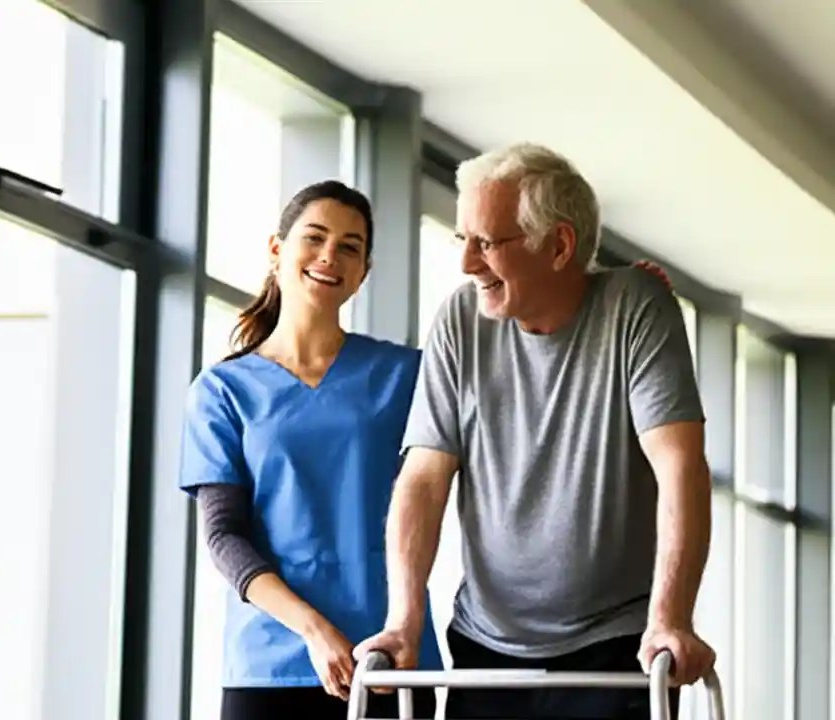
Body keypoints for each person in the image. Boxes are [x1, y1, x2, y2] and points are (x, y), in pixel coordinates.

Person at [355, 142, 716, 719]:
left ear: (559, 246)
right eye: (462, 240)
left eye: (487, 243)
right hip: (487, 647)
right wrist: (403, 621)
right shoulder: (460, 319)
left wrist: (671, 618)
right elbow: (424, 477)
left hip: (614, 647)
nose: (468, 263)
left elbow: (680, 467)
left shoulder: (636, 308)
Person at [179, 180, 443, 720]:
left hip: (387, 658)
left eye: (350, 246)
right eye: (315, 237)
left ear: (364, 271)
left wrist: (617, 296)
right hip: (270, 663)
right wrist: (314, 629)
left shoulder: (406, 375)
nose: (330, 256)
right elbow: (223, 535)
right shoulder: (223, 390)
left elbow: (517, 376)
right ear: (277, 249)